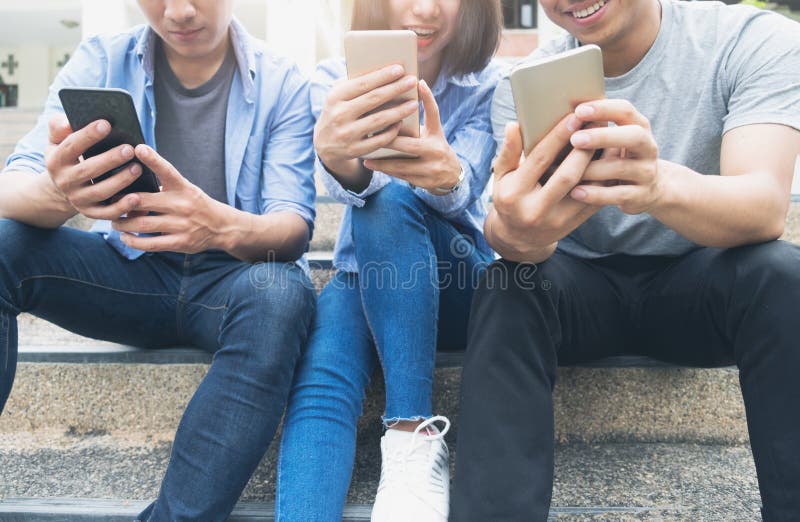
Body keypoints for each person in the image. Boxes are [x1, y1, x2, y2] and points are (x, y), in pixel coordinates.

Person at [450, 0, 800, 519]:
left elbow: (764, 208)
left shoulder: (750, 40)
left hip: (702, 282)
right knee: (508, 281)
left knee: (782, 273)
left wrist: (656, 186)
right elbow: (514, 237)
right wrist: (514, 230)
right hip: (578, 286)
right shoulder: (523, 84)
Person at [0, 1, 317, 520]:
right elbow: (13, 186)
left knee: (283, 293)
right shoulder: (100, 58)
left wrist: (215, 225)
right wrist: (58, 194)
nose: (180, 11)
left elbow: (293, 229)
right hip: (128, 271)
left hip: (232, 284)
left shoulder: (283, 80)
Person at [275, 1, 505, 520]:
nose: (423, 9)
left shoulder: (493, 85)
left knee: (392, 199)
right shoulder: (333, 82)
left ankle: (411, 432)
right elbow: (358, 189)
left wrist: (445, 175)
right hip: (367, 275)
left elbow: (458, 198)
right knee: (322, 378)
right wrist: (342, 163)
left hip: (459, 279)